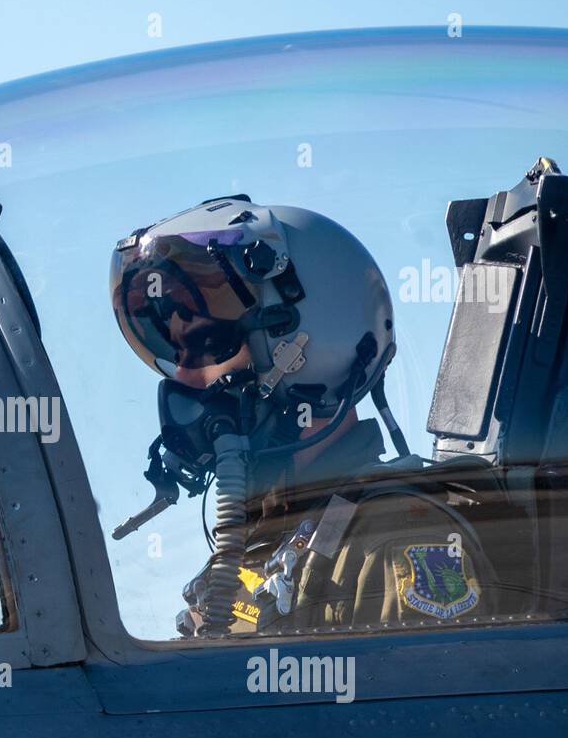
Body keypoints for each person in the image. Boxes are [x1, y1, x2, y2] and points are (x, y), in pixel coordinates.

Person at [109, 196, 503, 636]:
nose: (183, 376)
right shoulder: (259, 547)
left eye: (206, 345)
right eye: (178, 354)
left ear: (301, 353)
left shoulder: (391, 543)